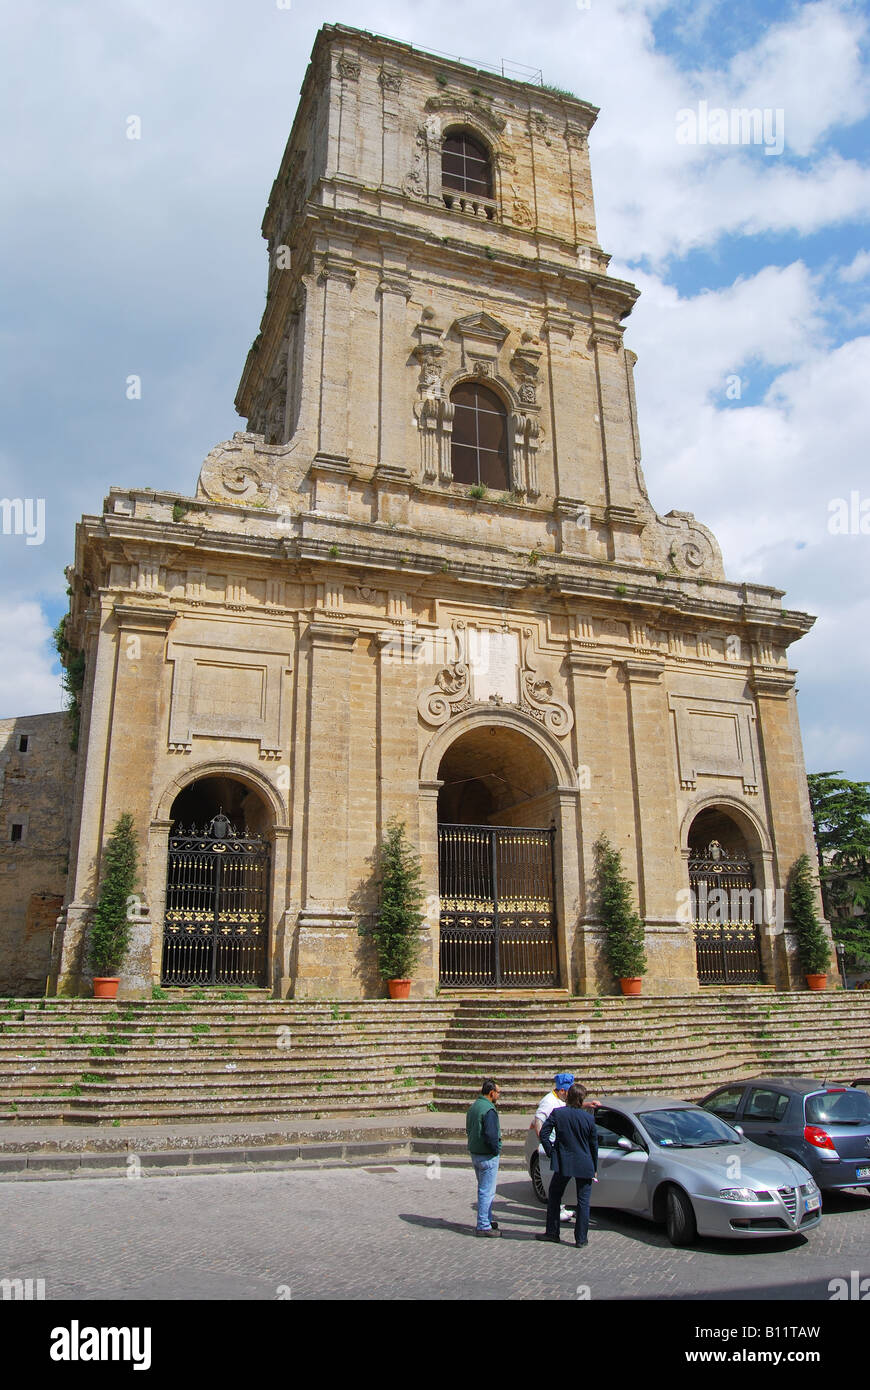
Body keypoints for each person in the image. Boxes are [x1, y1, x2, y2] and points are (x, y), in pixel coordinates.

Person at [536, 1082, 598, 1247]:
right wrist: (595, 1168)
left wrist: (551, 1151)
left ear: (569, 1097)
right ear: (582, 1099)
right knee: (583, 1202)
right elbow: (594, 1146)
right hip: (585, 1163)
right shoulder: (589, 1119)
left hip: (564, 1162)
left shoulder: (558, 1114)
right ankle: (581, 1239)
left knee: (555, 1196)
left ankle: (552, 1232)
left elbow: (544, 1133)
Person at [534, 1071, 575, 1224]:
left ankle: (561, 1208)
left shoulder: (562, 1099)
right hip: (551, 1147)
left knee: (560, 1180)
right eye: (569, 1091)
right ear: (562, 1090)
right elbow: (538, 1121)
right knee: (554, 1181)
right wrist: (546, 1146)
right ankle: (556, 1211)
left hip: (559, 1146)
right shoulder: (549, 1101)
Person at [465, 1079, 502, 1237]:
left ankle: (486, 1218)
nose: (499, 1095)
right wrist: (496, 1149)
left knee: (484, 1189)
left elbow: (468, 1129)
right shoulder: (489, 1109)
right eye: (498, 1092)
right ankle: (483, 1225)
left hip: (475, 1153)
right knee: (487, 1191)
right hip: (487, 1155)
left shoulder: (473, 1107)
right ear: (491, 1092)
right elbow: (491, 1135)